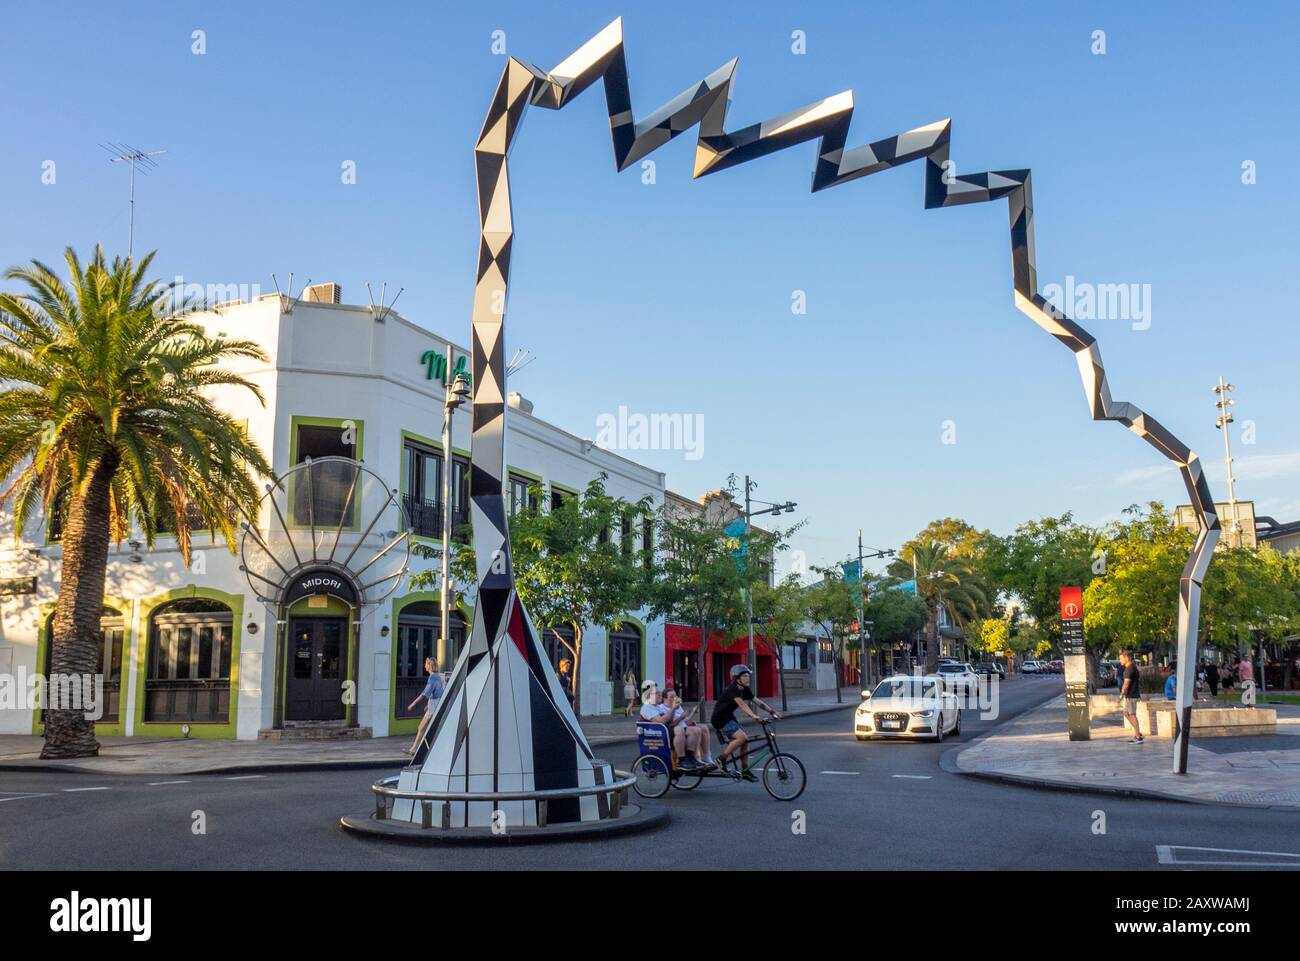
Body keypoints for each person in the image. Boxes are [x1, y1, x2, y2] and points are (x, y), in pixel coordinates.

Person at [710, 664, 780, 781]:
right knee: (741, 737)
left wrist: (772, 712)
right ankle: (721, 759)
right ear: (737, 679)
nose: (748, 678)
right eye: (745, 676)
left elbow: (758, 702)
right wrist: (754, 716)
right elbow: (742, 705)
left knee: (745, 741)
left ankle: (745, 770)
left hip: (729, 717)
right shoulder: (733, 689)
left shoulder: (744, 689)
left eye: (748, 676)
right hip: (720, 719)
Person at [663, 686, 712, 767]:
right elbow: (669, 725)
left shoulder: (678, 707)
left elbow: (686, 721)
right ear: (665, 698)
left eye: (675, 696)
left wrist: (692, 714)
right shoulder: (663, 708)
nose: (674, 699)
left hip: (684, 726)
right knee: (696, 730)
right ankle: (694, 757)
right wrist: (681, 718)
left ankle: (706, 755)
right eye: (671, 697)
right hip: (676, 729)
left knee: (703, 727)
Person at [407, 657, 445, 756]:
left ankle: (415, 749)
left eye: (426, 664)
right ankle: (415, 748)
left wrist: (413, 703)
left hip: (434, 706)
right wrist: (428, 706)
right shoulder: (438, 676)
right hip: (434, 705)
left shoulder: (432, 677)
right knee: (424, 728)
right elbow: (436, 691)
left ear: (430, 666)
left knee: (423, 728)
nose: (424, 665)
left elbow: (425, 693)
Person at [1118, 650, 1143, 743]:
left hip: (1131, 695)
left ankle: (1138, 737)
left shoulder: (1129, 669)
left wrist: (1121, 696)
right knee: (1126, 713)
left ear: (1127, 658)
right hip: (1130, 695)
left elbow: (1126, 685)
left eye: (1121, 658)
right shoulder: (1132, 667)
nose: (1120, 660)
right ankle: (1138, 733)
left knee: (1132, 715)